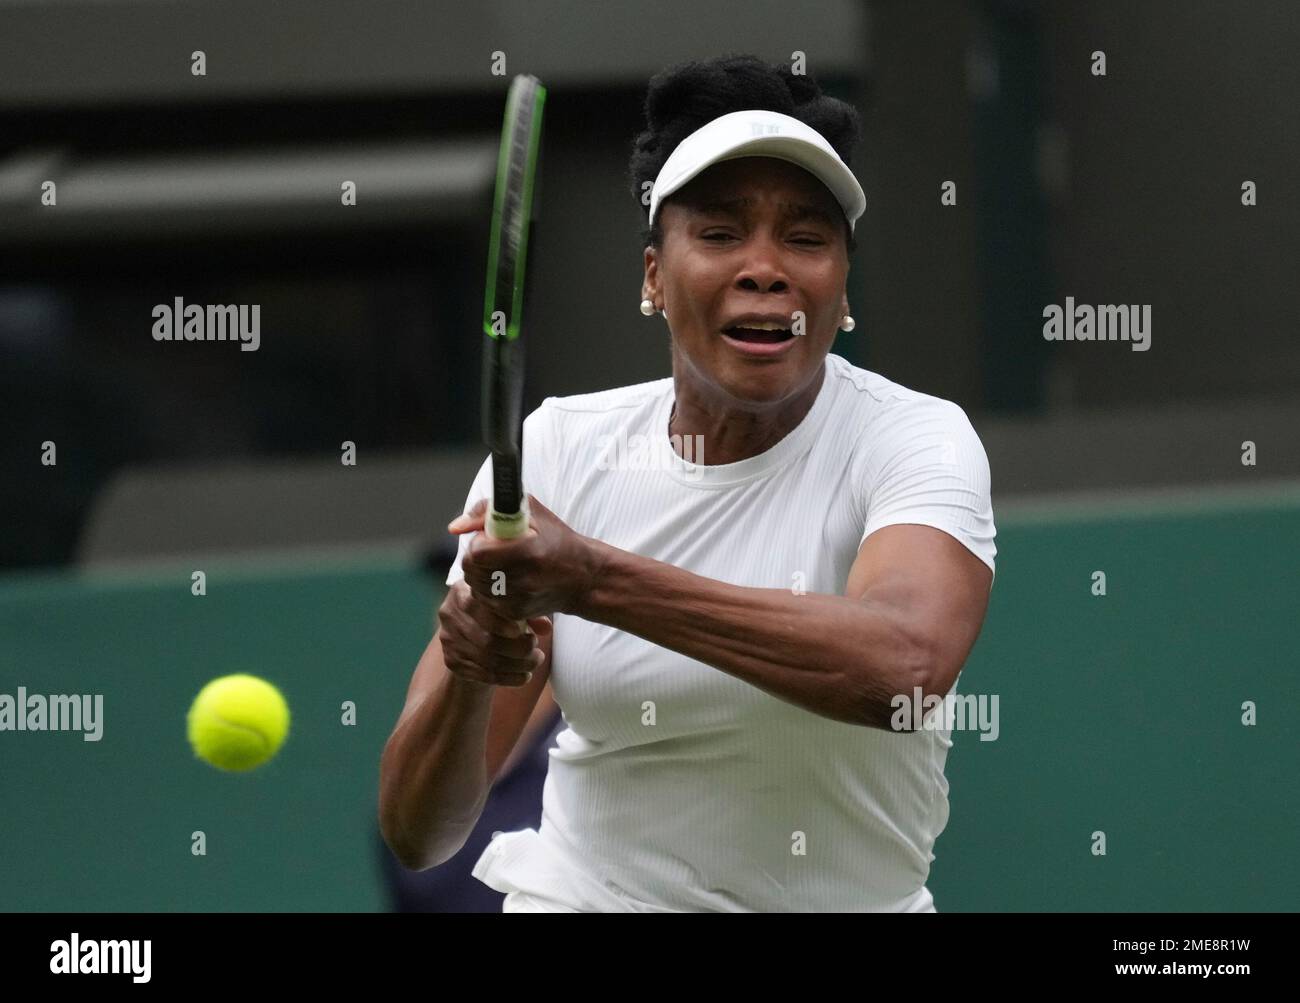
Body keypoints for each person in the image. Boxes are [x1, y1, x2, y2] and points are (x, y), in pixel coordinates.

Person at [379, 53, 996, 912]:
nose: (765, 266)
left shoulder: (915, 439)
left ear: (842, 290)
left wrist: (593, 579)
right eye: (719, 233)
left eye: (807, 237)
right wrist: (471, 661)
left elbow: (904, 668)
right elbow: (420, 831)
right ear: (653, 278)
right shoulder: (559, 446)